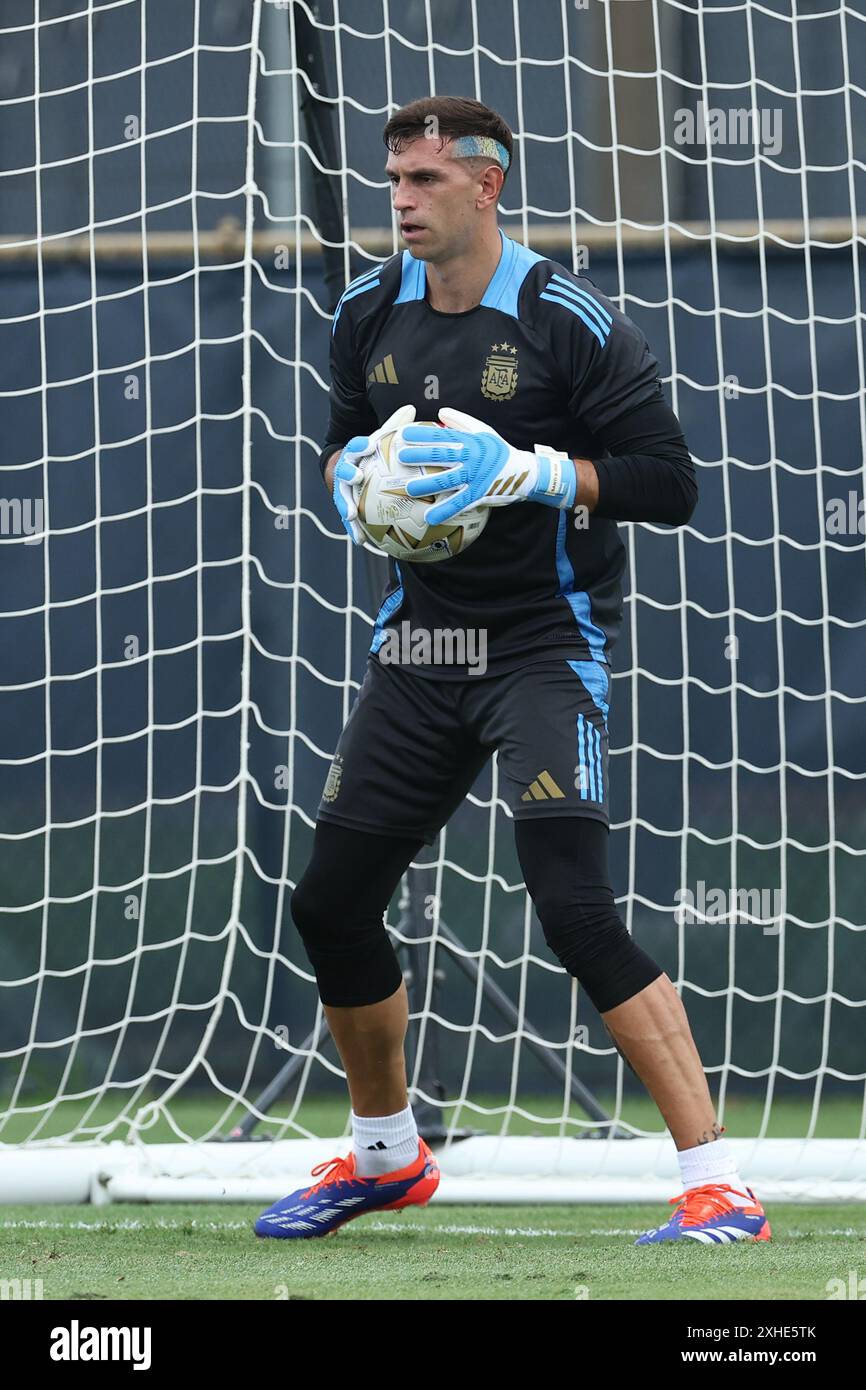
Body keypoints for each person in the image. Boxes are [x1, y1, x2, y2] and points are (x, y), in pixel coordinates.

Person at [254, 96, 770, 1246]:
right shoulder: (363, 310)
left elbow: (669, 482)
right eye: (392, 179)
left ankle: (719, 1184)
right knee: (329, 903)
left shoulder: (561, 318)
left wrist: (532, 471)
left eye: (425, 181)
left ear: (486, 188)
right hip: (421, 649)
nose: (399, 201)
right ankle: (386, 1156)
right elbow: (344, 433)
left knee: (572, 905)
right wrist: (348, 483)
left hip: (543, 647)